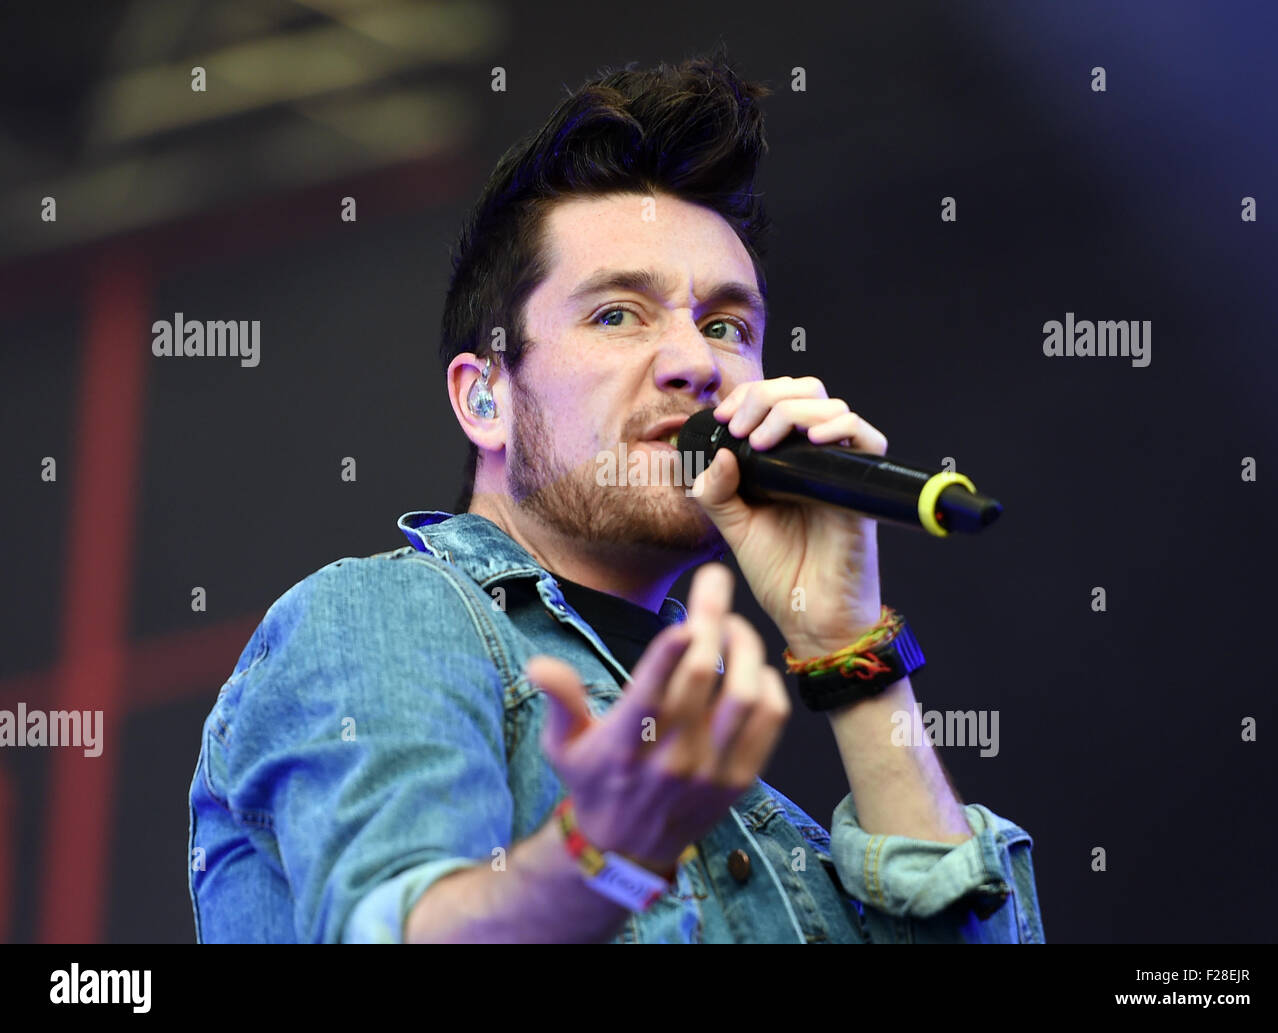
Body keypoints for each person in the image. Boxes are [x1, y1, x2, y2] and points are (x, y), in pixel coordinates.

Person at [187, 49, 1045, 944]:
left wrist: (847, 649)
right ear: (487, 396)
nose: (695, 362)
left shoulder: (767, 831)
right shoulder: (384, 615)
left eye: (725, 325)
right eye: (617, 314)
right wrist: (600, 858)